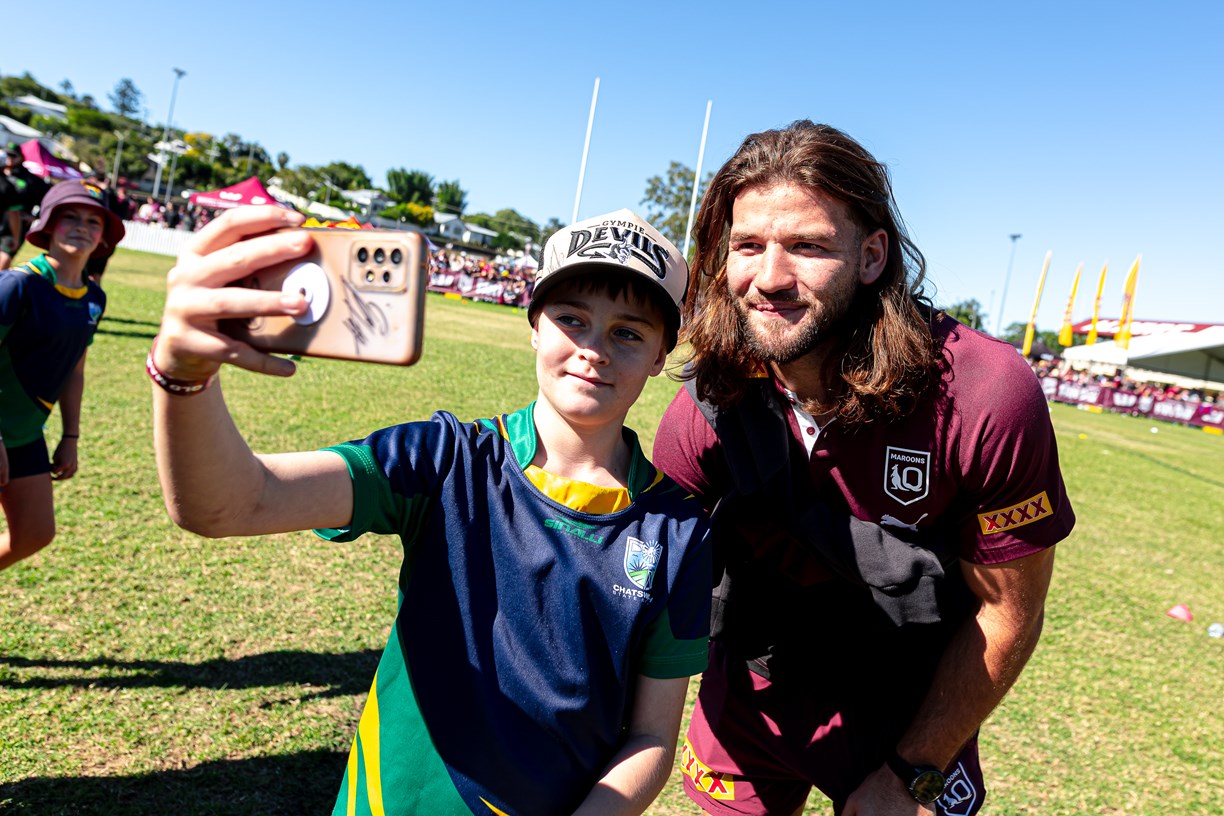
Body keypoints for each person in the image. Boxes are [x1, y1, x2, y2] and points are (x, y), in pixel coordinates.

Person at [150, 205, 712, 815]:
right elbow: (231, 503)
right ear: (533, 325)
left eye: (628, 332)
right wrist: (183, 376)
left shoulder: (678, 529)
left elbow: (652, 735)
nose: (593, 350)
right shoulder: (445, 460)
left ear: (661, 355)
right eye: (571, 319)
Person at [653, 120, 1075, 816]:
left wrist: (914, 769)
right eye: (748, 245)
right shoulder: (717, 390)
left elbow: (1008, 613)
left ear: (873, 254)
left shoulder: (984, 392)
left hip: (909, 704)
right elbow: (639, 570)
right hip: (755, 690)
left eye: (808, 246)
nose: (769, 277)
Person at [0, 180, 124, 570]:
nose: (81, 226)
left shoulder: (93, 299)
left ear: (103, 237)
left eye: (93, 220)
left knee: (36, 533)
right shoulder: (18, 285)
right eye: (69, 217)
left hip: (25, 435)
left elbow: (75, 370)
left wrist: (70, 436)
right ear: (49, 226)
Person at [1, 144, 50, 270]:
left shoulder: (31, 180)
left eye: (13, 155)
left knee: (4, 259)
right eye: (7, 154)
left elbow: (49, 199)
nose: (9, 158)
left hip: (13, 228)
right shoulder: (2, 176)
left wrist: (35, 216)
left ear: (21, 157)